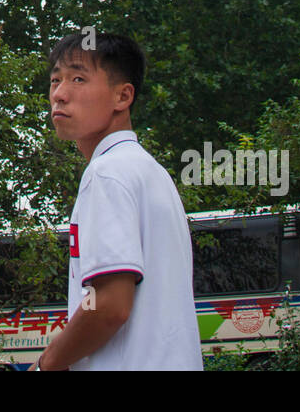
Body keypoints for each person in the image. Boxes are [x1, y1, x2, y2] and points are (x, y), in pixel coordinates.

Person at [31, 31, 201, 371]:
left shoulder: (107, 173)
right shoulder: (150, 172)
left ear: (122, 96)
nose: (59, 94)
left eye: (78, 79)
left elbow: (109, 305)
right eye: (55, 80)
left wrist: (47, 364)